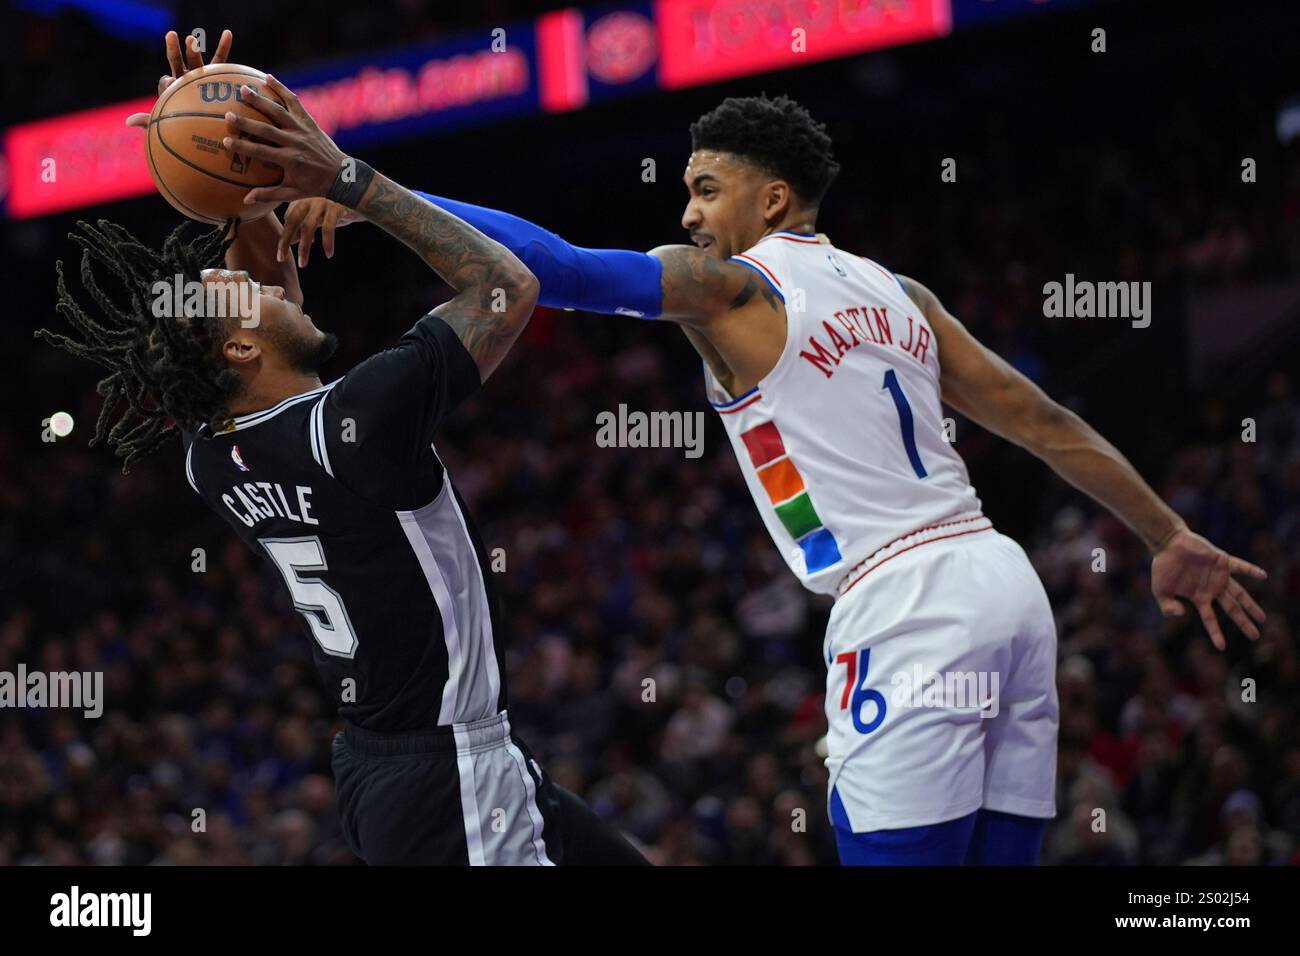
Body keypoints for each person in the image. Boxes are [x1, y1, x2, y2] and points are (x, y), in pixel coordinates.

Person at [281, 93, 1268, 865]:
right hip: (1006, 586)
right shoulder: (901, 293)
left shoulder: (735, 288)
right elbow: (1044, 424)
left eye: (706, 189)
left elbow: (558, 268)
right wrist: (1165, 532)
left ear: (772, 200)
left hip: (906, 598)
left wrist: (364, 184)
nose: (687, 211)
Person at [37, 30, 647, 866]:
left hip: (388, 770)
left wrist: (231, 164)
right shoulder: (354, 422)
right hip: (448, 773)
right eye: (244, 295)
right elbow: (508, 286)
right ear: (244, 352)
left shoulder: (213, 451)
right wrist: (348, 180)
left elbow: (261, 267)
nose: (262, 276)